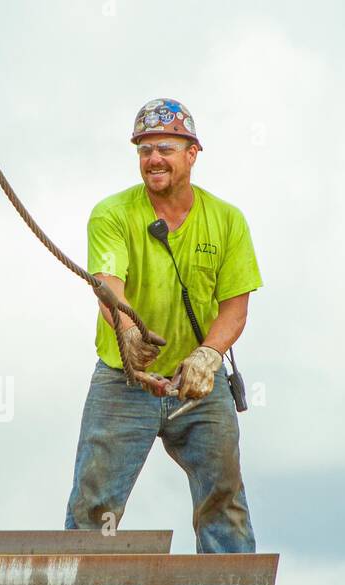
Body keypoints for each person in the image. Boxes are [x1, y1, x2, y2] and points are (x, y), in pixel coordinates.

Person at [65, 98, 262, 553]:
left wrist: (208, 355)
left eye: (166, 149)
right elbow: (107, 285)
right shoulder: (112, 213)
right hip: (124, 379)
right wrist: (128, 331)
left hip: (197, 383)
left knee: (224, 498)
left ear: (192, 154)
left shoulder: (227, 221)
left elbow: (235, 308)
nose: (153, 159)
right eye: (144, 149)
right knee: (95, 507)